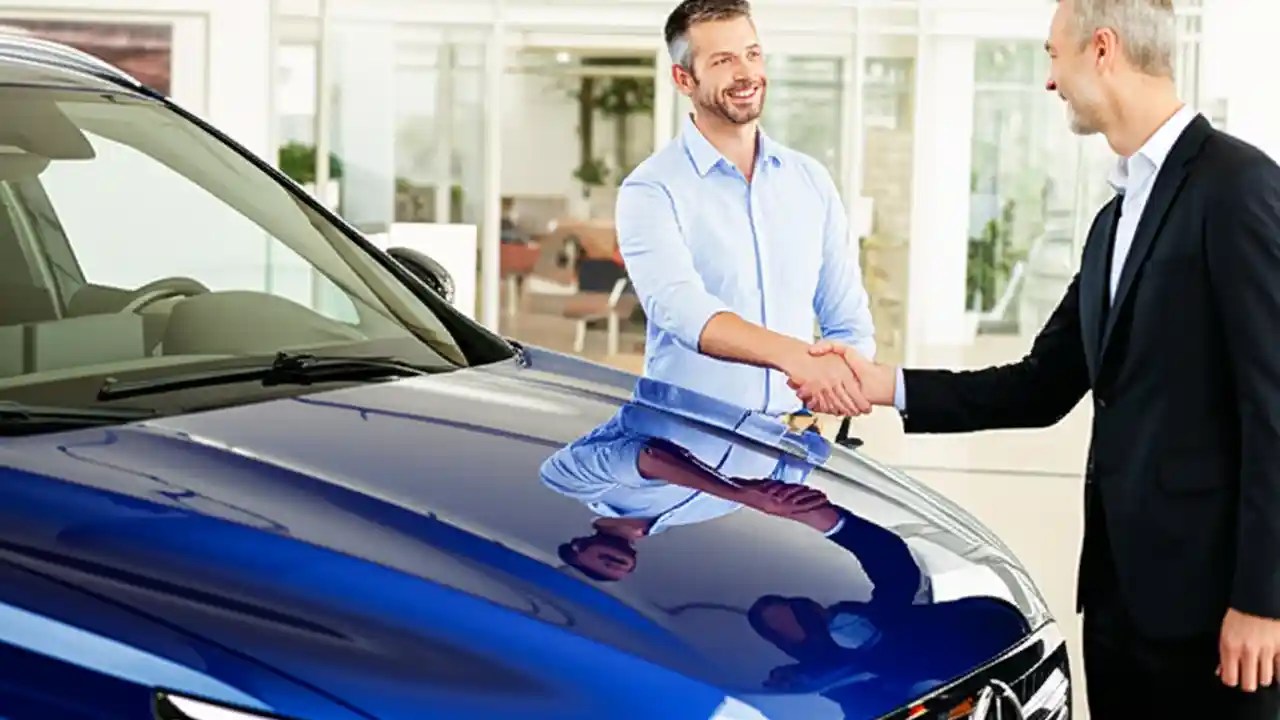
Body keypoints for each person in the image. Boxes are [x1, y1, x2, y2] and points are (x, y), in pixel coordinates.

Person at [798, 0, 1280, 716]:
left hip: (1218, 619)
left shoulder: (1236, 187)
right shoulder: (1114, 219)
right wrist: (880, 385)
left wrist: (1262, 601)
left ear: (1103, 49)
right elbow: (1040, 384)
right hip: (1118, 605)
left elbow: (1273, 408)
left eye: (1054, 55)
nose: (1049, 82)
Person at [614, 0, 876, 422]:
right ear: (684, 78)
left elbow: (847, 318)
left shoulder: (810, 181)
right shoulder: (651, 189)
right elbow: (681, 308)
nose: (746, 73)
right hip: (688, 447)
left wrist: (839, 378)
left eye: (752, 54)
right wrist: (797, 358)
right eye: (723, 61)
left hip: (797, 440)